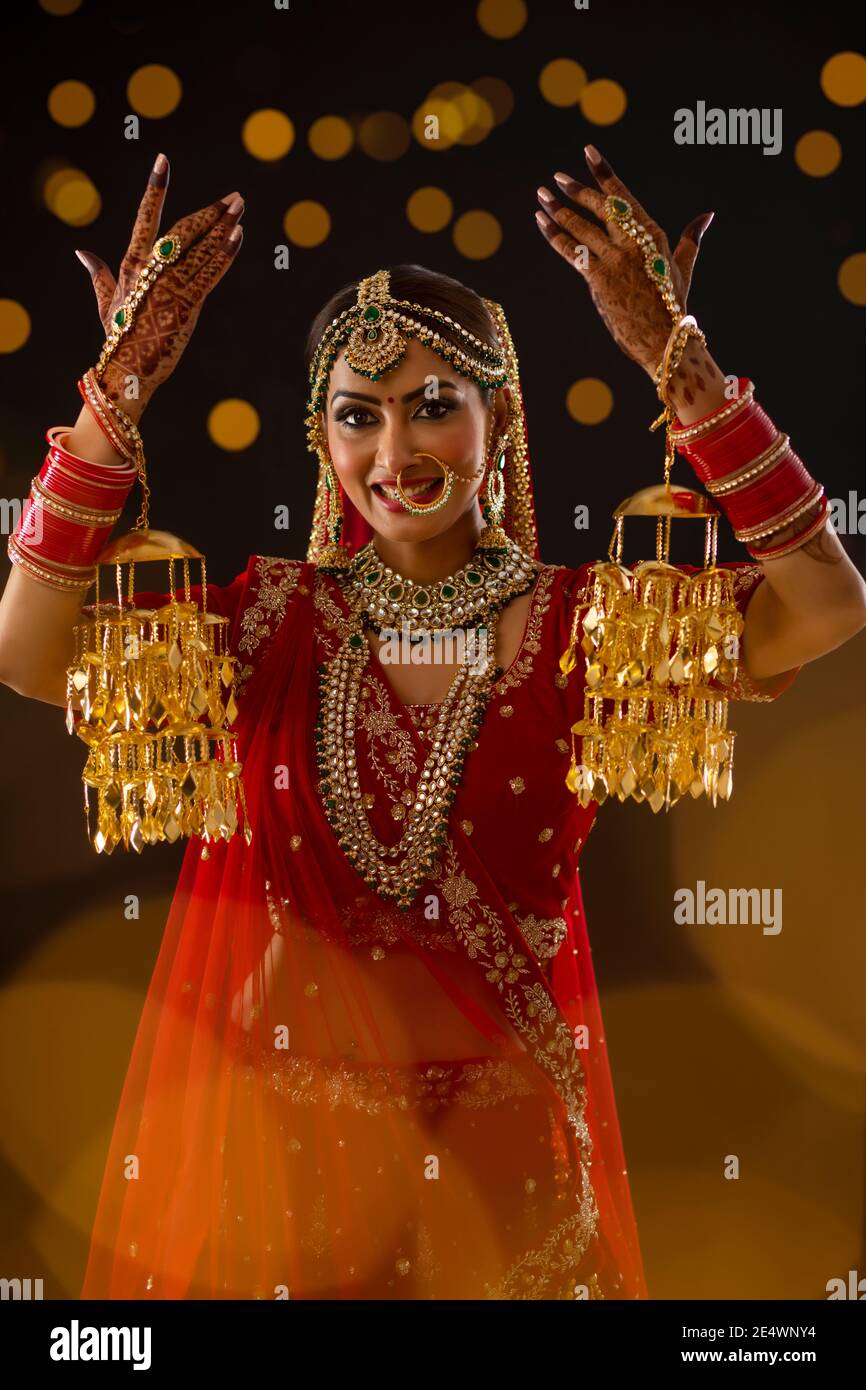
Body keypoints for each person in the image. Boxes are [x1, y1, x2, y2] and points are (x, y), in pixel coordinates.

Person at [1, 149, 864, 1301]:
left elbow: (824, 602)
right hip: (285, 1187)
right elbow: (28, 653)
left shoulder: (585, 624)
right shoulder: (266, 625)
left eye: (432, 409)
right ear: (321, 439)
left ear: (496, 417)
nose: (394, 456)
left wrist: (684, 373)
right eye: (357, 417)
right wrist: (115, 402)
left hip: (508, 1201)